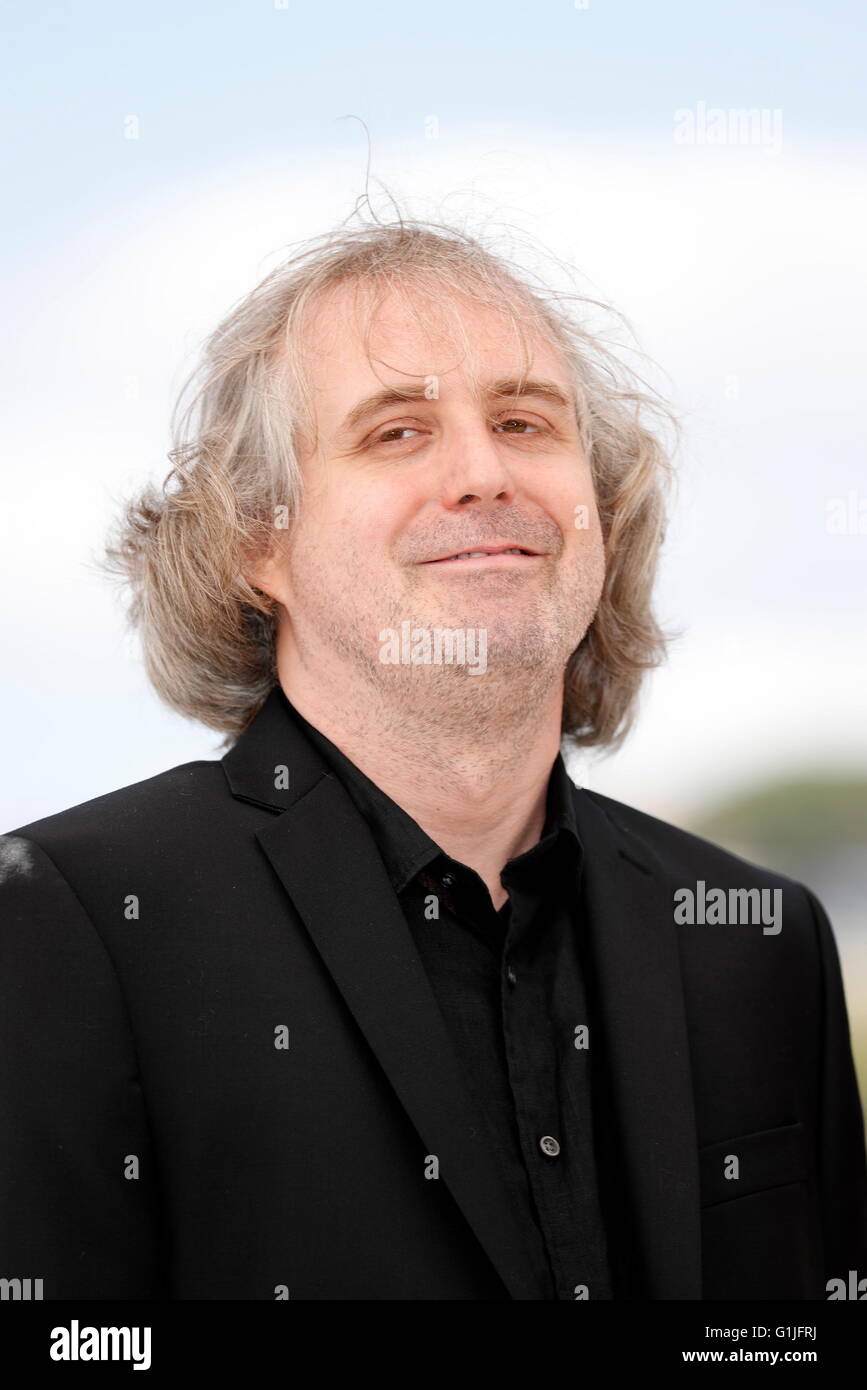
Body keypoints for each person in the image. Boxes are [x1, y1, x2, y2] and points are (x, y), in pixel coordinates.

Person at [2, 216, 865, 1300]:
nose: (481, 472)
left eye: (524, 420)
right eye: (396, 432)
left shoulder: (761, 941)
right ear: (255, 541)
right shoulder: (62, 921)